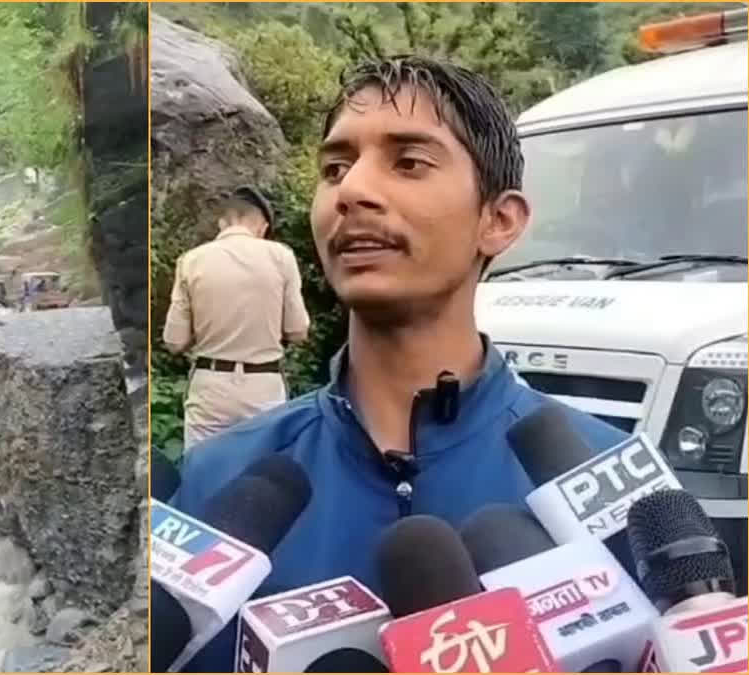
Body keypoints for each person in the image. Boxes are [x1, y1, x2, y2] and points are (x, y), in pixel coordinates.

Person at [164, 56, 629, 672]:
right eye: (335, 168)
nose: (353, 190)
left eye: (409, 162)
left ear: (499, 219)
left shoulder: (615, 488)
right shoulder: (214, 486)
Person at [162, 185, 311, 450]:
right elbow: (298, 331)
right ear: (263, 226)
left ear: (222, 223)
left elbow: (174, 341)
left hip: (211, 387)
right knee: (263, 477)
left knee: (202, 475)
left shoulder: (191, 260)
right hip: (264, 386)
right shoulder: (281, 257)